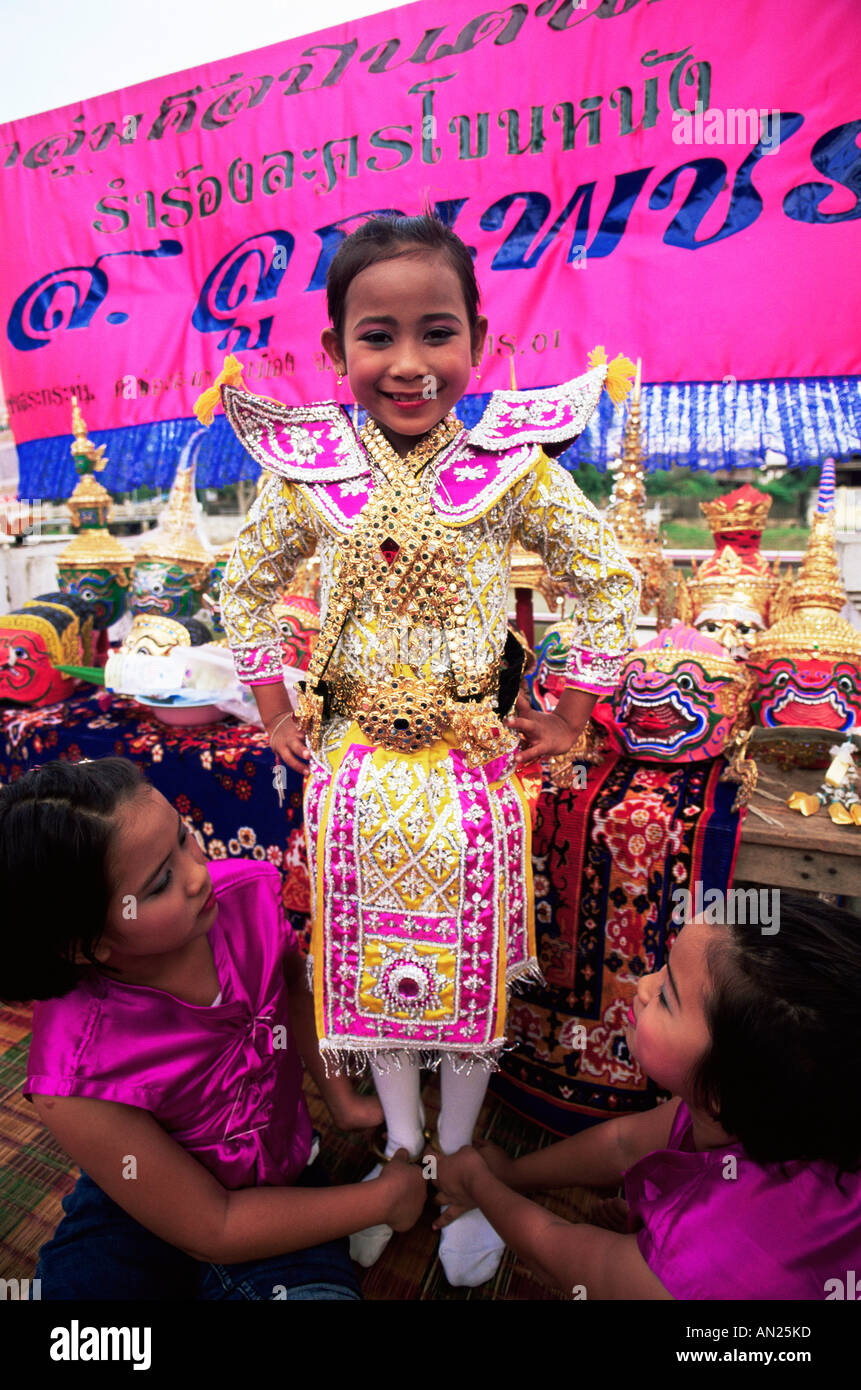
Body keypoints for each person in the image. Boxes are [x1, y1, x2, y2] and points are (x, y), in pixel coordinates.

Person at [197, 211, 640, 1285]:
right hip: (350, 771)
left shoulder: (514, 463)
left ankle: (460, 1158)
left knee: (473, 977)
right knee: (372, 979)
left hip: (473, 768)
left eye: (436, 333)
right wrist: (274, 708)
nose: (406, 364)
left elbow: (608, 578)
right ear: (334, 350)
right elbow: (244, 581)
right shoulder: (308, 469)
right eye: (376, 336)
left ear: (482, 343)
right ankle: (400, 1155)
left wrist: (573, 706)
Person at [0, 758, 425, 1300]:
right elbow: (213, 1226)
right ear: (88, 943)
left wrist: (338, 1097)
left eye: (184, 838)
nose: (198, 873)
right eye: (159, 885)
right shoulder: (73, 1073)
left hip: (281, 1184)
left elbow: (294, 988)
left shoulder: (248, 896)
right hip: (138, 1193)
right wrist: (385, 1200)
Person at [430, 892, 861, 1299]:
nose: (643, 984)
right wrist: (513, 1175)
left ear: (724, 1090)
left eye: (668, 996)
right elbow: (623, 1144)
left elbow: (566, 1256)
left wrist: (477, 1182)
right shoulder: (761, 1106)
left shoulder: (700, 1262)